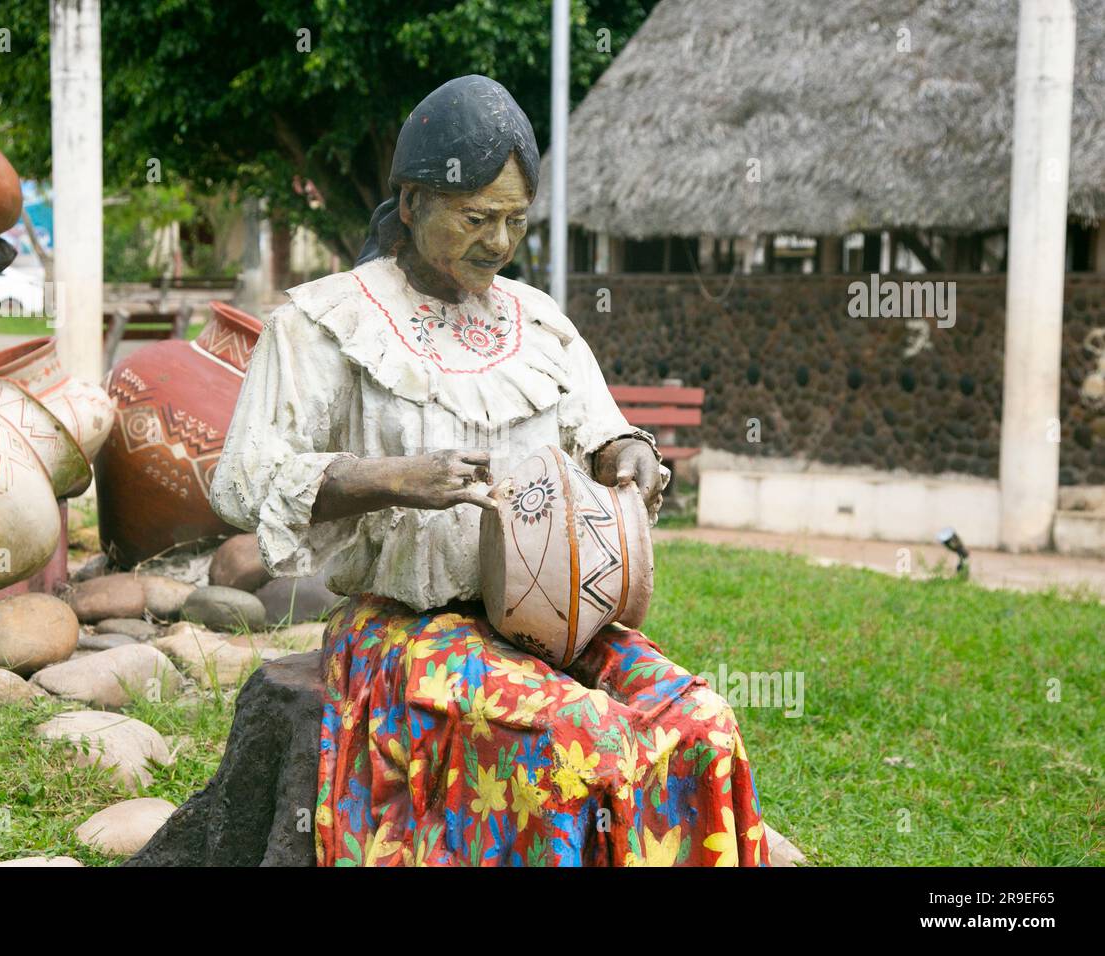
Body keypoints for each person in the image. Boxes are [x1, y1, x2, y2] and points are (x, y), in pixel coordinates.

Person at [210, 75, 768, 867]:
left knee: (703, 719)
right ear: (410, 204)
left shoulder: (540, 324)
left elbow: (605, 432)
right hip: (407, 632)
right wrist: (394, 478)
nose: (500, 241)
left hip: (554, 626)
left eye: (514, 220)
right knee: (582, 737)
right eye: (476, 217)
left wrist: (629, 456)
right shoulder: (325, 323)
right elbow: (240, 478)